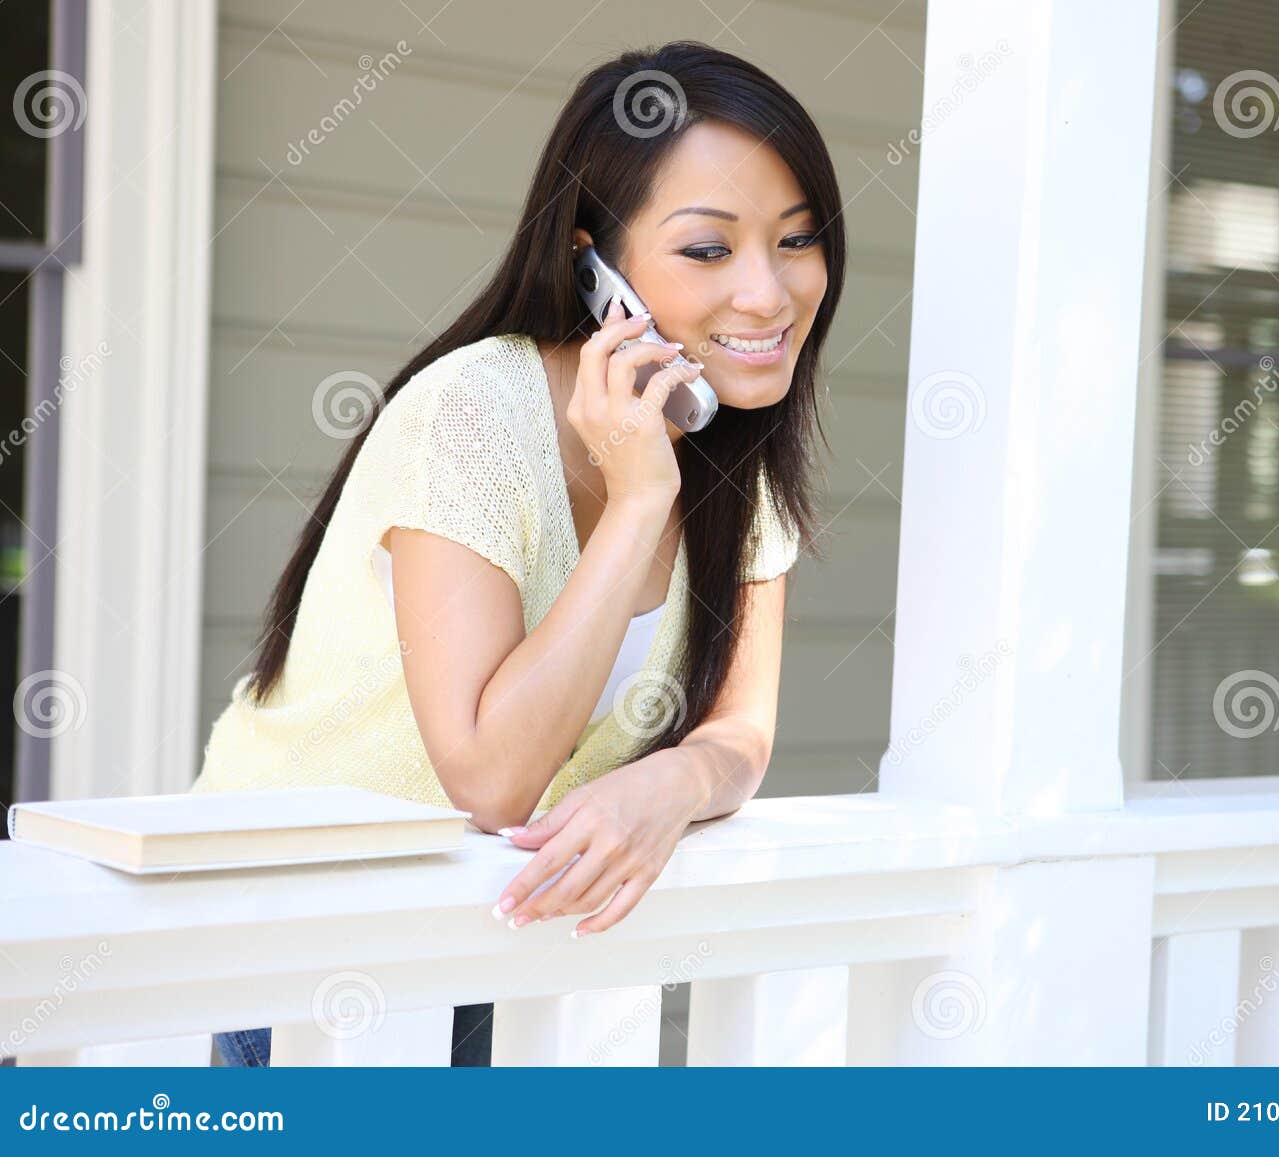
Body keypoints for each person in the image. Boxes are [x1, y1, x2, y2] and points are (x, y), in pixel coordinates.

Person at [196, 39, 845, 1066]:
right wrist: (636, 500)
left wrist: (670, 785)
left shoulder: (739, 453)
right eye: (708, 250)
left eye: (798, 239)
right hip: (285, 961)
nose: (767, 295)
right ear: (596, 267)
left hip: (493, 954)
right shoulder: (473, 411)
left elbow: (741, 728)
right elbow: (491, 776)